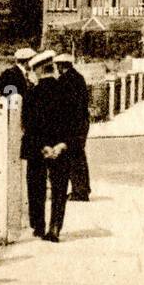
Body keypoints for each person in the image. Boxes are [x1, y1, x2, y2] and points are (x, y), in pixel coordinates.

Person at [23, 50, 74, 242]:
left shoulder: (32, 94)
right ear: (52, 68)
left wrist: (43, 146)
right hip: (62, 148)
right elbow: (76, 122)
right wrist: (62, 144)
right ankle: (54, 229)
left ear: (37, 70)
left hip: (38, 149)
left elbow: (29, 125)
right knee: (59, 188)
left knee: (36, 186)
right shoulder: (68, 91)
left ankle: (39, 226)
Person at [54, 53, 92, 202]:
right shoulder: (79, 78)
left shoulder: (65, 80)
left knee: (73, 157)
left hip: (71, 125)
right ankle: (82, 188)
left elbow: (63, 105)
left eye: (58, 66)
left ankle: (80, 191)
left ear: (62, 66)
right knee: (79, 155)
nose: (57, 69)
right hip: (81, 123)